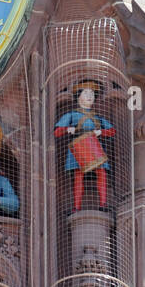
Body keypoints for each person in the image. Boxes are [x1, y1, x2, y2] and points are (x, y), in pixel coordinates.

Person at [54, 80, 114, 211]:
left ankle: (103, 203)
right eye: (86, 93)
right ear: (78, 96)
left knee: (101, 172)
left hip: (94, 144)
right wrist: (68, 129)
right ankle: (76, 207)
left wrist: (101, 132)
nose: (90, 96)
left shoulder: (98, 117)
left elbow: (112, 131)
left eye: (92, 93)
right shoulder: (71, 115)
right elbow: (57, 132)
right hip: (79, 145)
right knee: (78, 175)